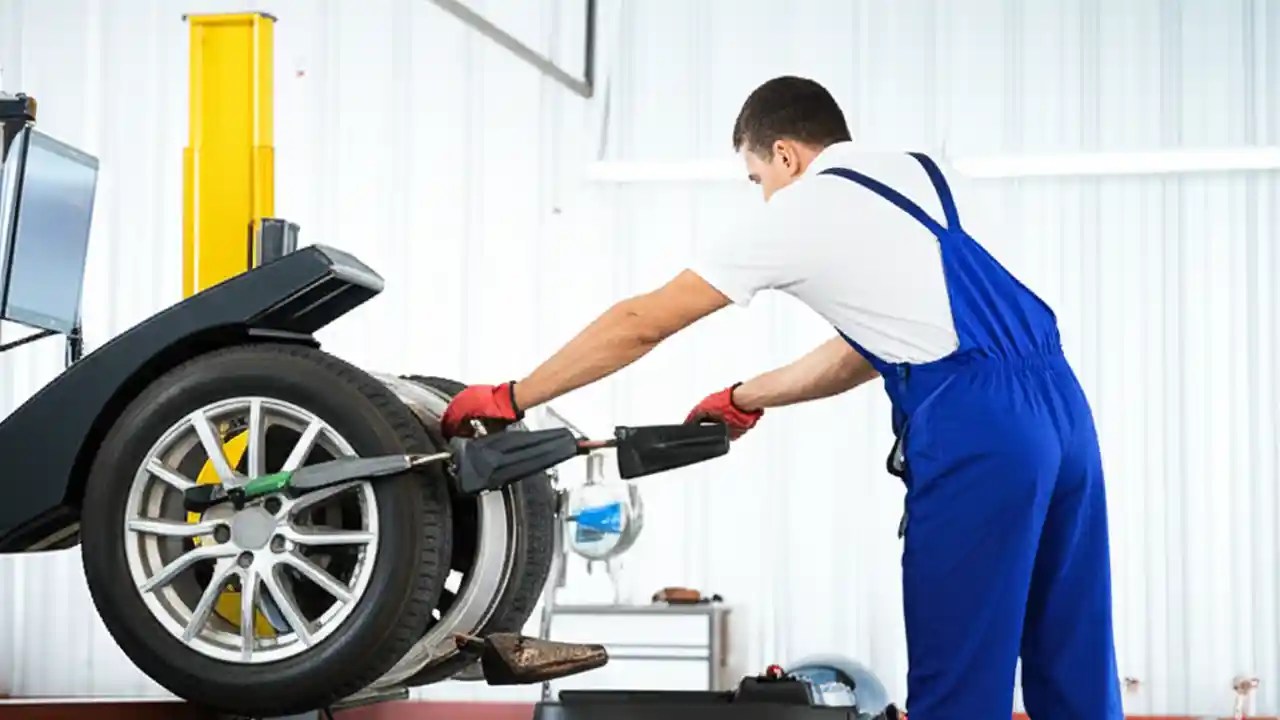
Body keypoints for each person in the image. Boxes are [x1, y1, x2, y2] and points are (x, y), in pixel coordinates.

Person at [439, 75, 1122, 720]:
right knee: (1073, 652)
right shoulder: (923, 174)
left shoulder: (802, 210)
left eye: (757, 177)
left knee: (961, 666)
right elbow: (881, 343)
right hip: (1062, 411)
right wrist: (746, 394)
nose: (762, 194)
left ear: (786, 155)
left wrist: (513, 394)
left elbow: (642, 321)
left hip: (981, 429)